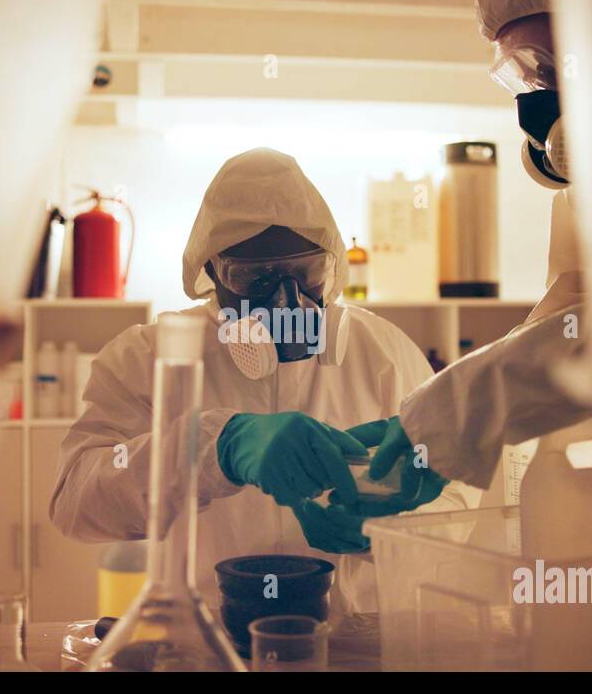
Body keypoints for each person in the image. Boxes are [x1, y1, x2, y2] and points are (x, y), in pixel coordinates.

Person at [51, 147, 471, 613]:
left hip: (355, 638)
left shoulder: (382, 350)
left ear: (330, 264)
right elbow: (76, 505)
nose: (286, 300)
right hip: (208, 637)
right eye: (255, 277)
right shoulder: (149, 356)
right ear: (211, 271)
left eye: (305, 271)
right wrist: (214, 448)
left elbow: (456, 493)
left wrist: (388, 530)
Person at [349, 0, 592, 510]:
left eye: (552, 68)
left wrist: (464, 407)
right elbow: (576, 311)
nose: (537, 99)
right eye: (524, 76)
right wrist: (454, 417)